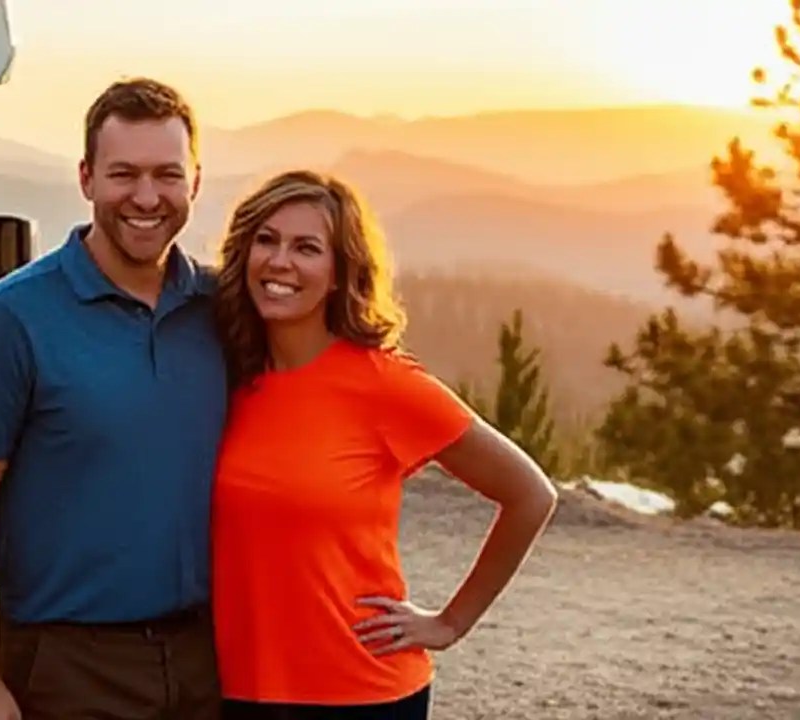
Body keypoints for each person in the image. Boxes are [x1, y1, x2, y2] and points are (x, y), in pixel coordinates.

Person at [210, 169, 560, 719]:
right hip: (235, 690)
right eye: (267, 240)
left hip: (360, 692)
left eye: (307, 248)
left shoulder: (384, 383)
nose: (280, 262)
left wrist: (450, 622)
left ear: (338, 274)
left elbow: (530, 494)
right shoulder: (225, 376)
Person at [0, 77, 227, 720]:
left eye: (167, 175)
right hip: (68, 668)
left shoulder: (222, 308)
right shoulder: (14, 316)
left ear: (195, 183)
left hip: (211, 657)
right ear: (87, 178)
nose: (146, 198)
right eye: (124, 174)